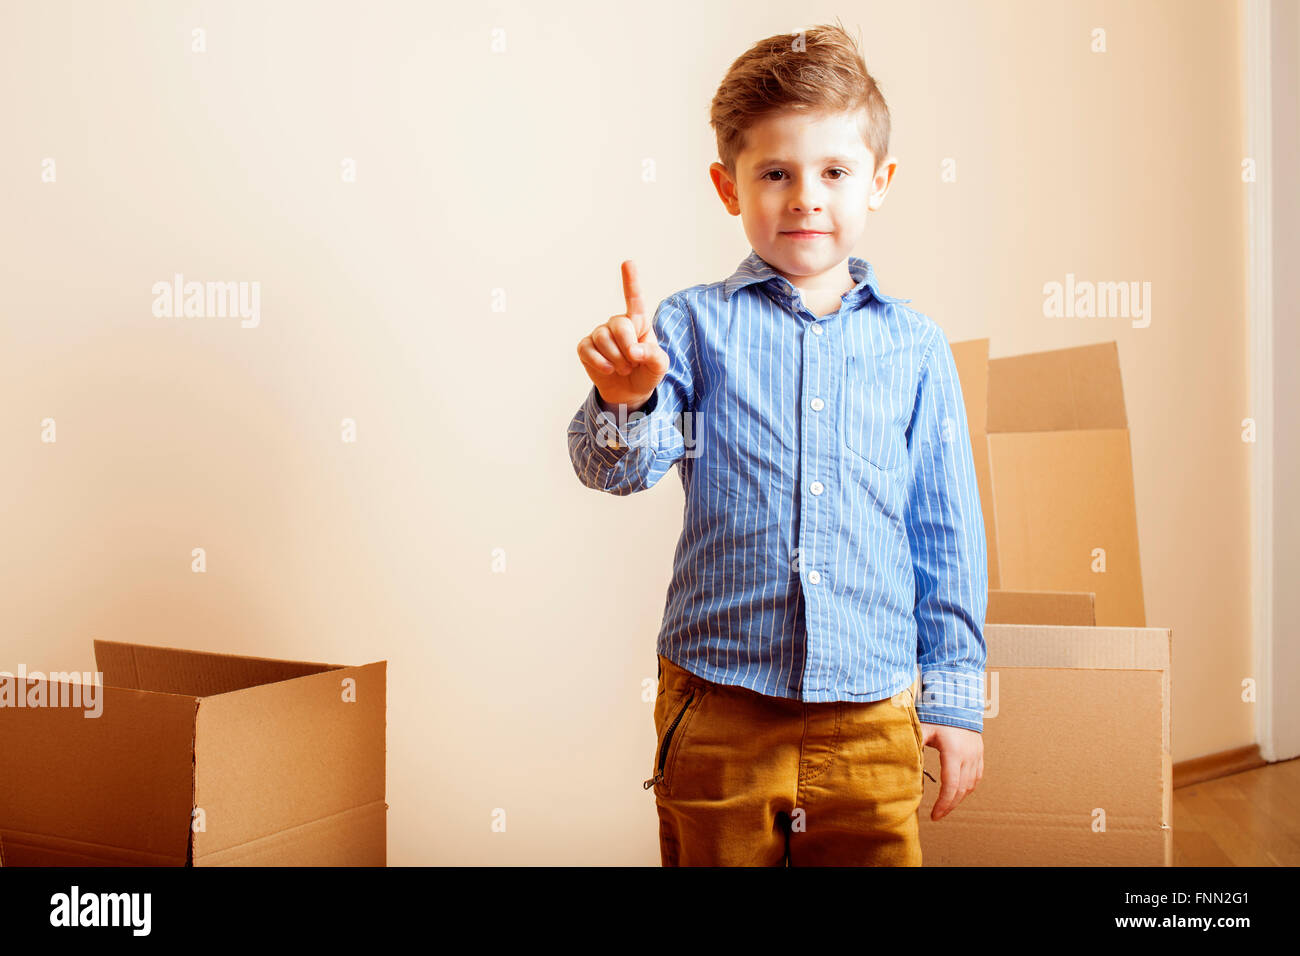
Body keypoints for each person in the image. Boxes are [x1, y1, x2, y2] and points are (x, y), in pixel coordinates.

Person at [566, 22, 987, 866]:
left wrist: (957, 699)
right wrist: (627, 396)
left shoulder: (917, 348)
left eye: (834, 172)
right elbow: (618, 470)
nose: (806, 197)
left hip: (875, 714)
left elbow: (947, 534)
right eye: (776, 173)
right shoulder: (690, 327)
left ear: (879, 181)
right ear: (729, 187)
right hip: (722, 704)